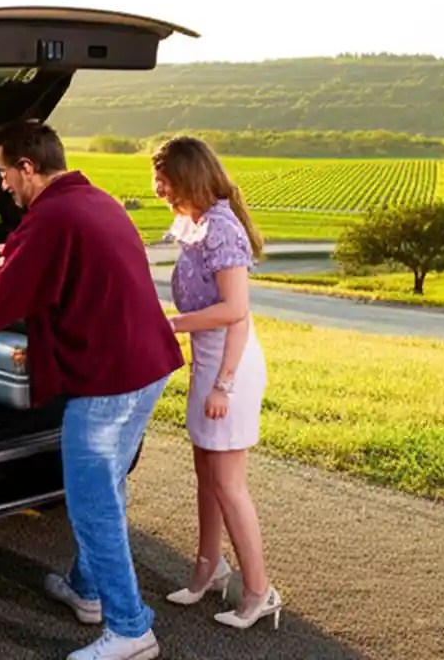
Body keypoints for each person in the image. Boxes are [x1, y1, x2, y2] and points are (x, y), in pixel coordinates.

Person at [0, 120, 184, 660]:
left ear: (27, 168)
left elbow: (6, 304)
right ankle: (88, 590)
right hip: (147, 365)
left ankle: (130, 631)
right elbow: (51, 274)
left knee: (91, 502)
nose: (2, 184)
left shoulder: (52, 217)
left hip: (110, 379)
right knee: (107, 489)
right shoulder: (94, 200)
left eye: (4, 173)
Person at [150, 136, 282, 631]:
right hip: (208, 363)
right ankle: (209, 567)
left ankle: (258, 591)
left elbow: (235, 312)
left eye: (165, 181)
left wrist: (221, 382)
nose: (159, 189)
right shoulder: (197, 223)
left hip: (232, 368)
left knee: (229, 484)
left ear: (190, 178)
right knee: (206, 474)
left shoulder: (223, 230)